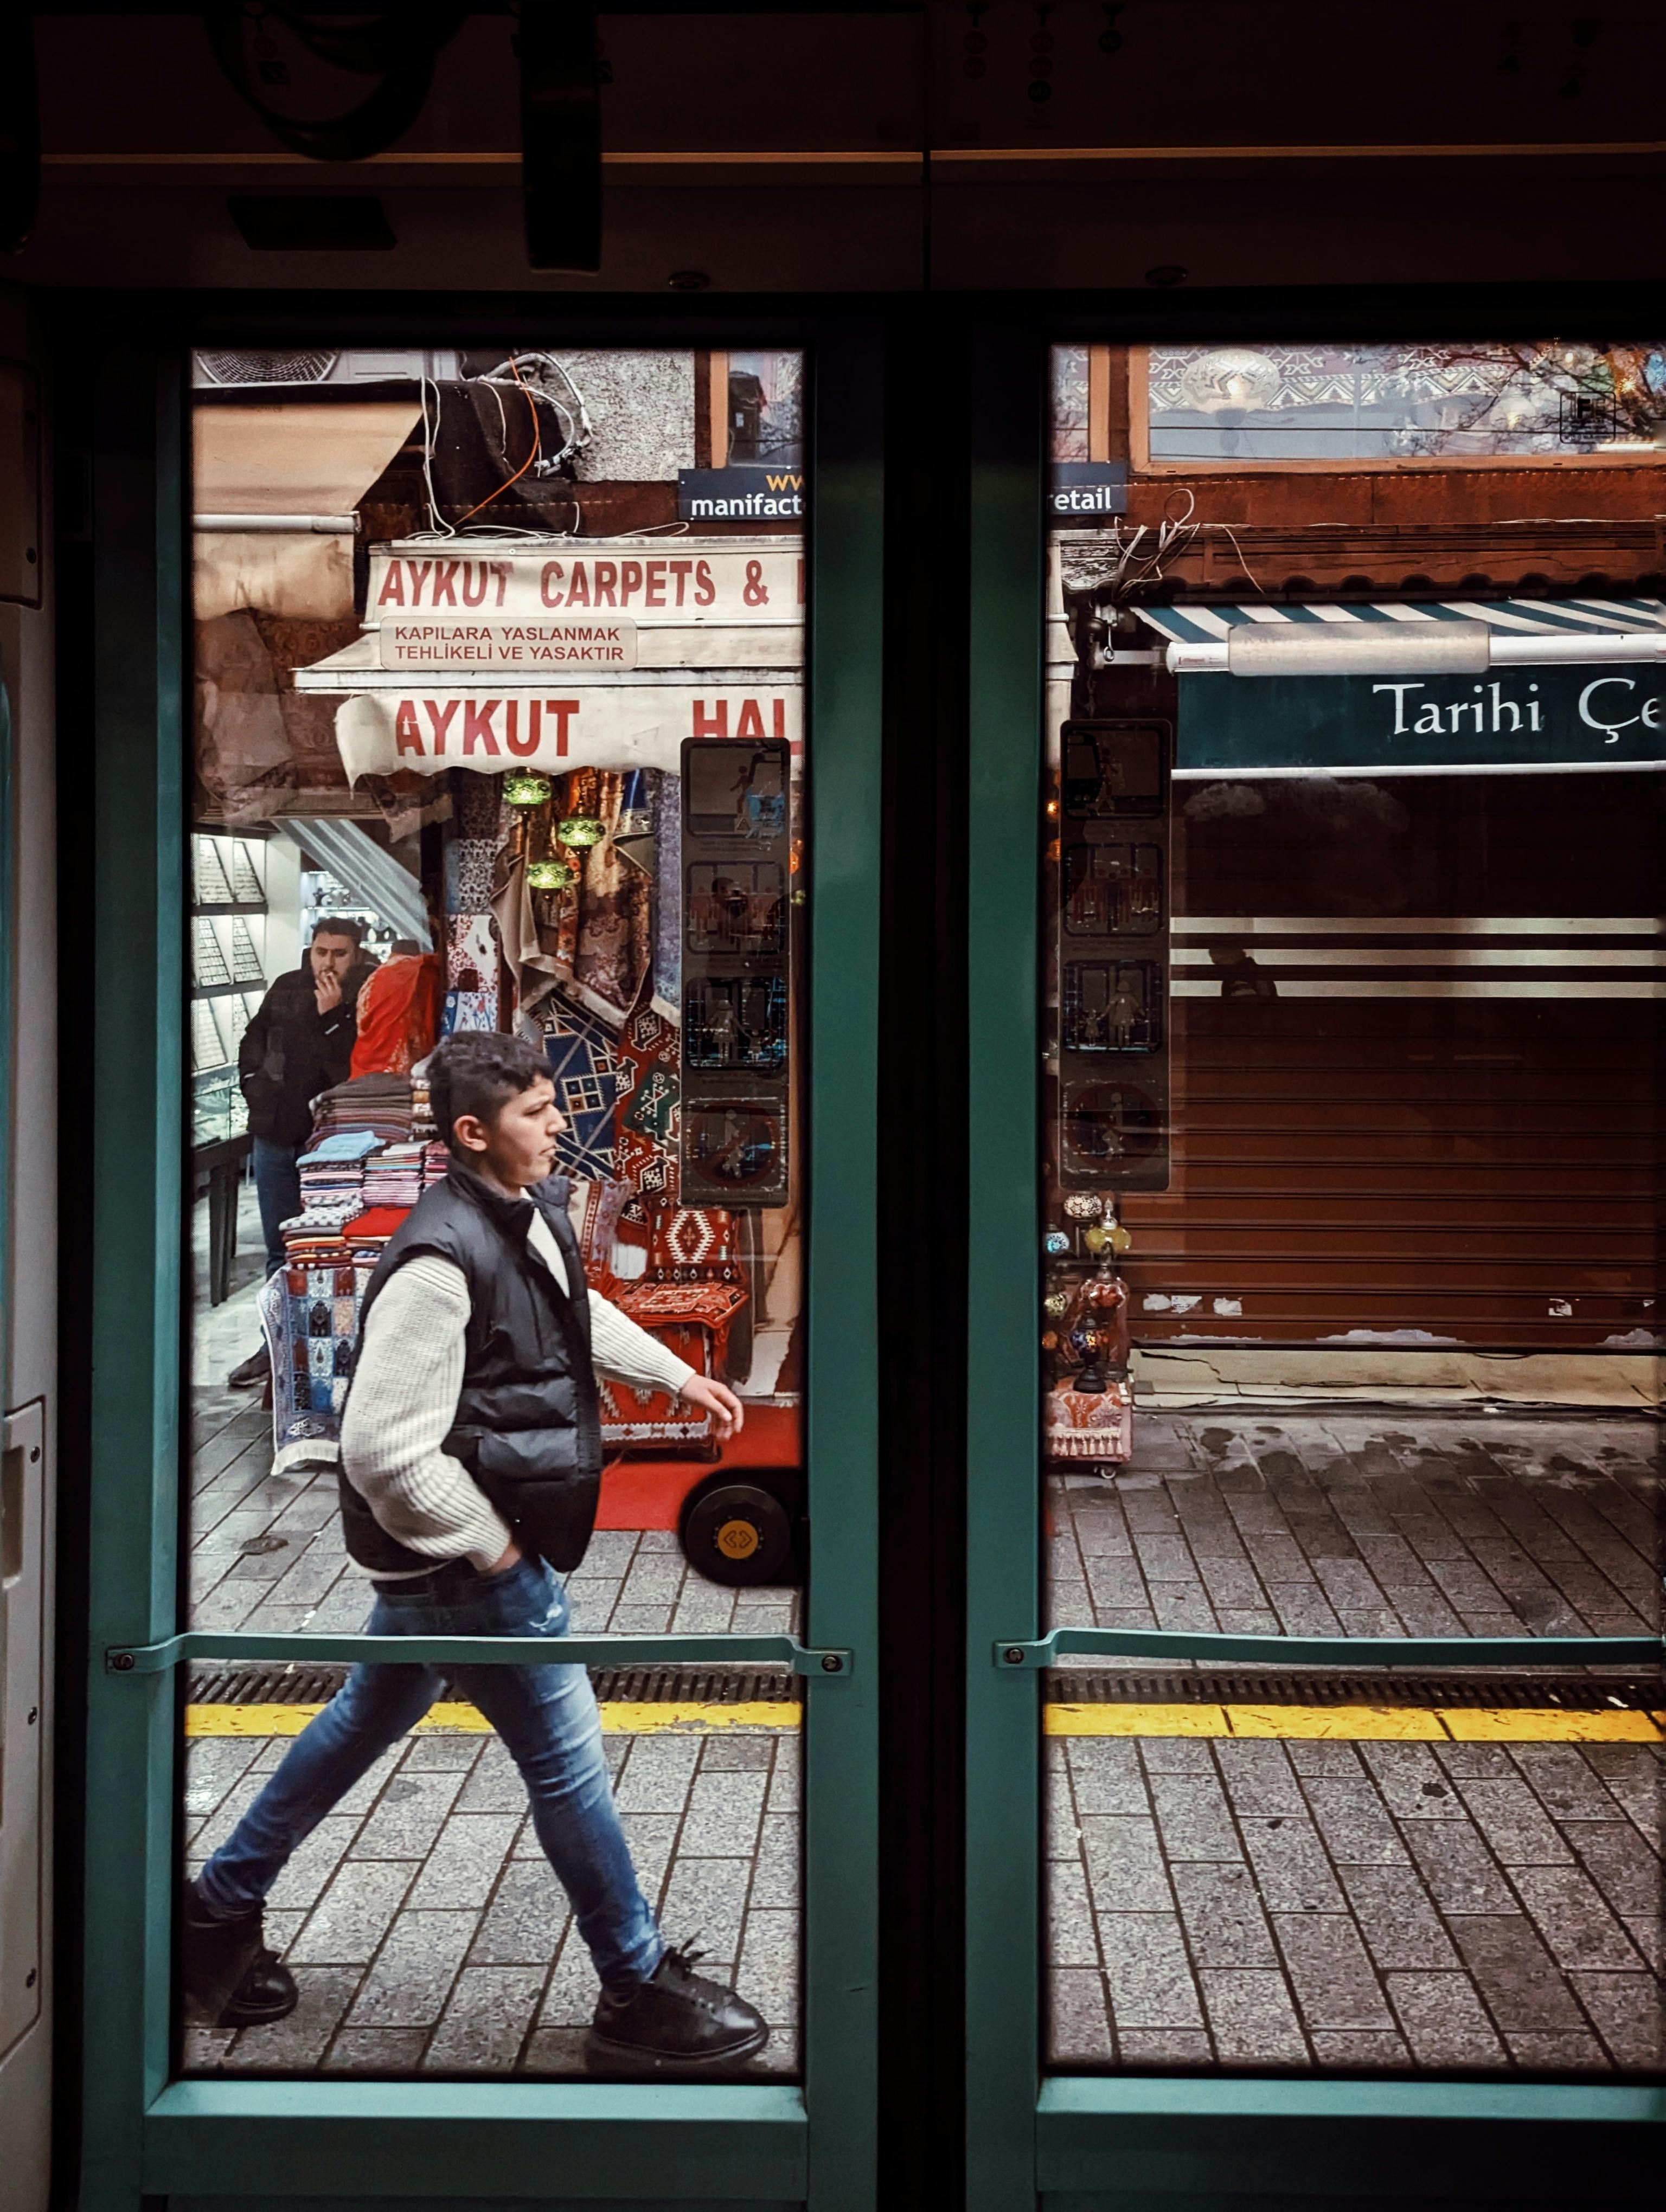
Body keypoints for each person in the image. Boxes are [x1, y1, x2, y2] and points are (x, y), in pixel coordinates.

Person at [182, 1031, 767, 2073]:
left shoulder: (519, 1211)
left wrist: (677, 1377)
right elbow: (377, 1448)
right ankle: (634, 1985)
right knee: (568, 1762)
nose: (557, 1126)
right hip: (463, 1564)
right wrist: (491, 1549)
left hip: (450, 1559)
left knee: (369, 1714)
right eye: (536, 1113)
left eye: (552, 1106)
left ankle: (217, 1908)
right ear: (470, 1133)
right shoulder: (438, 1259)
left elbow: (571, 1309)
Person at [227, 916, 379, 1386]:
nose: (327, 962)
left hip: (333, 1142)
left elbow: (351, 1068)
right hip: (275, 1131)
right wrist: (253, 1085)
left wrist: (333, 1017)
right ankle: (273, 1347)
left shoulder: (367, 994)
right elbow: (254, 1037)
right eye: (321, 951)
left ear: (356, 954)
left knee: (331, 1250)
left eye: (339, 953)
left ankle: (326, 1356)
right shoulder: (288, 986)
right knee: (280, 1249)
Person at [1207, 940, 1279, 1001]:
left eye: (1218, 962)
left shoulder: (1239, 978)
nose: (1217, 967)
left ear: (1231, 957)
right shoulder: (1257, 972)